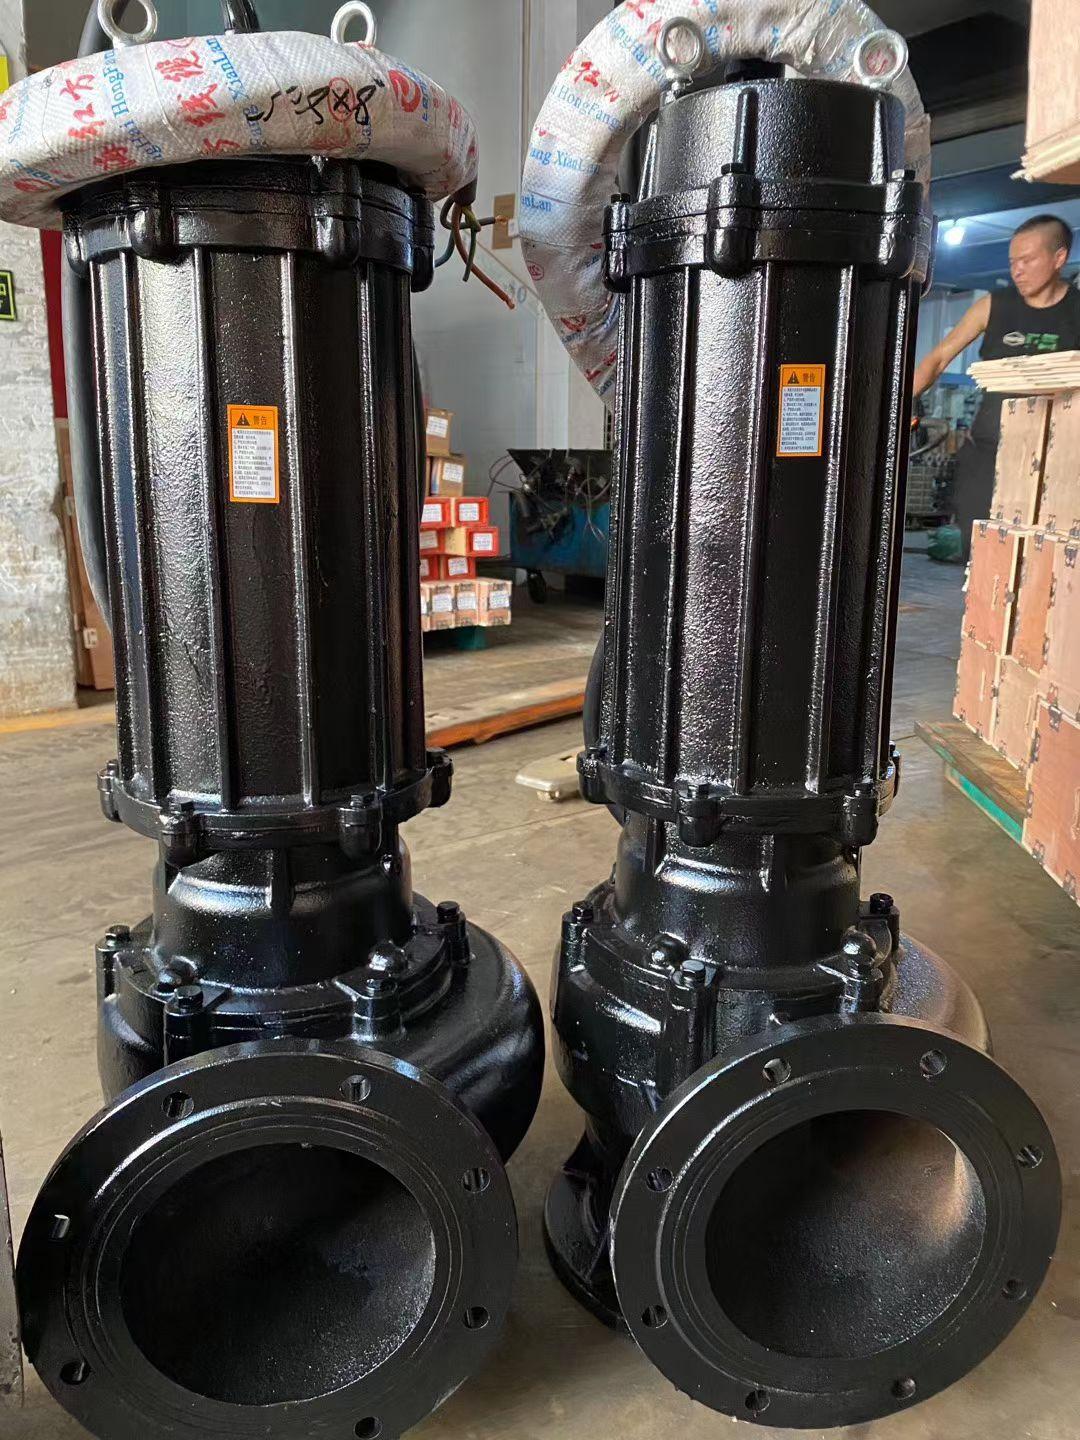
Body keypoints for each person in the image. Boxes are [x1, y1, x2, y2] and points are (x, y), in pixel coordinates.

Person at [913, 214, 1080, 557]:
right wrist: (898, 403)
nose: (1018, 270)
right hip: (989, 454)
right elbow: (939, 358)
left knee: (1046, 559)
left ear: (1059, 258)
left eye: (1028, 260)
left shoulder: (1076, 311)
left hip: (1058, 459)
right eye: (1013, 261)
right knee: (983, 557)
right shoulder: (993, 305)